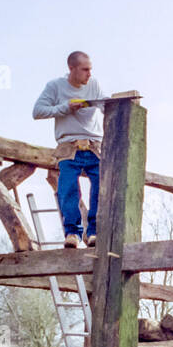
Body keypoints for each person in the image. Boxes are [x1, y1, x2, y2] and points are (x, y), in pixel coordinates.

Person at [33, 51, 106, 248]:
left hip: (94, 145)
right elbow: (37, 111)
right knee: (68, 189)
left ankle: (94, 232)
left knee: (101, 187)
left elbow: (105, 107)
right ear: (72, 68)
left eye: (90, 69)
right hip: (69, 146)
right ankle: (72, 233)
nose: (89, 74)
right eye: (85, 69)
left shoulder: (94, 85)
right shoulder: (55, 86)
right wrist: (65, 107)